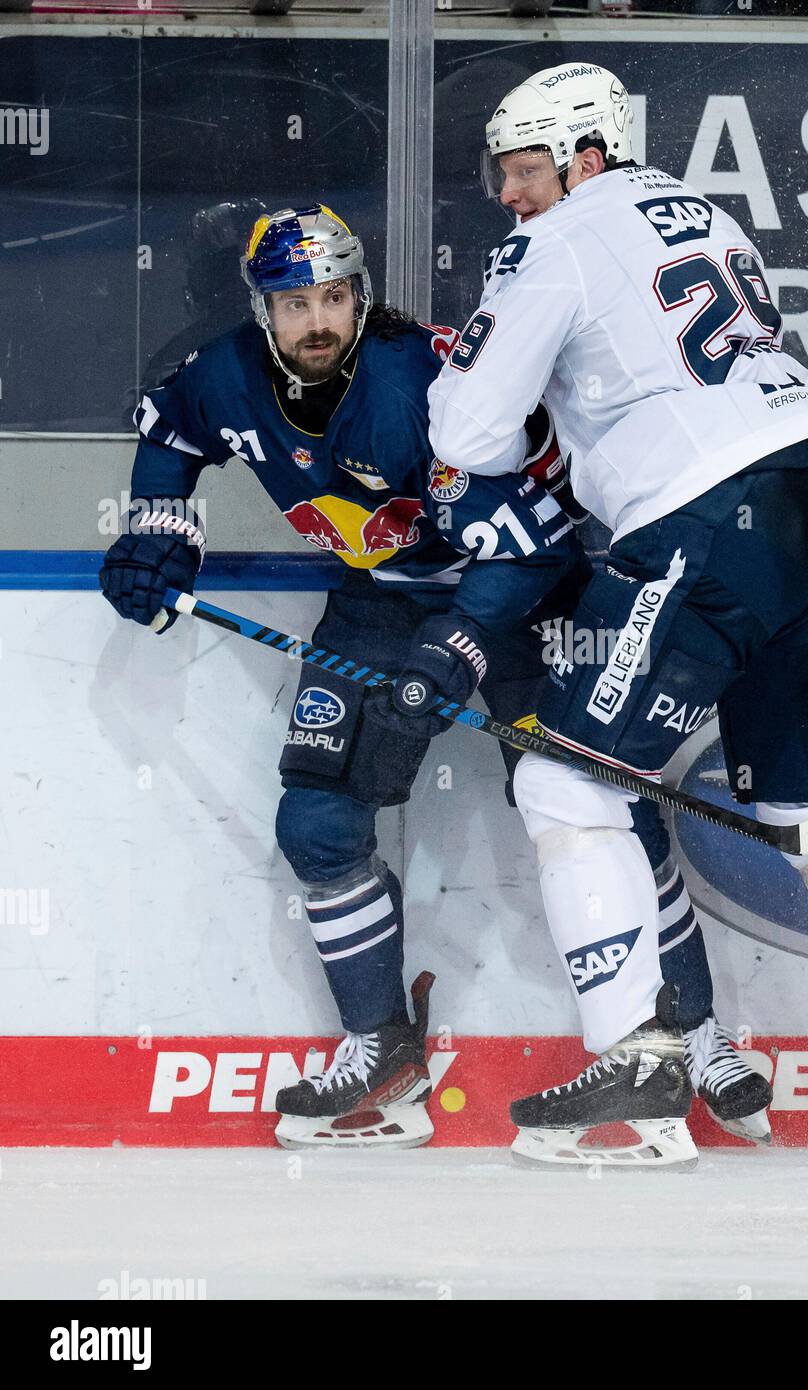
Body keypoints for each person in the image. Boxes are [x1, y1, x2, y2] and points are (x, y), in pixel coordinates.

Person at [99, 203, 767, 1150]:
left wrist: (457, 648)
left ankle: (690, 1033)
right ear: (264, 312)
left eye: (334, 297)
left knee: (599, 805)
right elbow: (168, 432)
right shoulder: (224, 376)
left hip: (530, 598)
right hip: (383, 602)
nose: (317, 320)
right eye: (294, 304)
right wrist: (158, 532)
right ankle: (385, 1053)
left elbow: (530, 549)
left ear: (361, 296)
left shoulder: (423, 385)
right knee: (319, 817)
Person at [428, 64, 808, 1168]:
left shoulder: (556, 240)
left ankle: (637, 1075)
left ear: (586, 153)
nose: (508, 193)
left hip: (709, 523)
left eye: (525, 169)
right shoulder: (700, 212)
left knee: (563, 777)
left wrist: (534, 427)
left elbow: (465, 432)